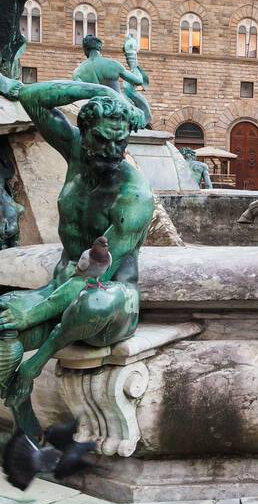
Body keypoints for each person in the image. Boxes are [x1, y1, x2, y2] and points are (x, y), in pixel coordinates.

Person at [0, 74, 153, 441]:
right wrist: (99, 90)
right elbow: (34, 97)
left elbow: (93, 277)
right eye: (102, 139)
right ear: (84, 133)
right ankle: (23, 416)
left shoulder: (134, 197)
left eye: (121, 141)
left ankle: (31, 371)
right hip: (61, 289)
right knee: (4, 318)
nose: (112, 151)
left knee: (93, 301)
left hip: (113, 305)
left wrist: (34, 320)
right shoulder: (74, 152)